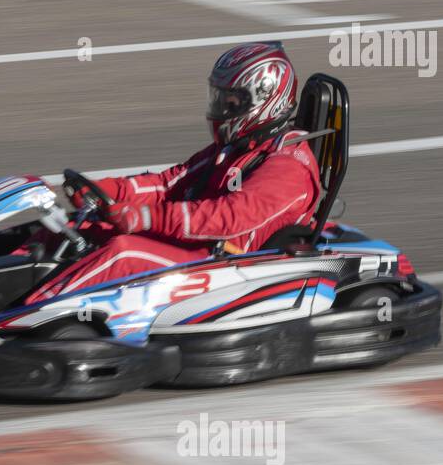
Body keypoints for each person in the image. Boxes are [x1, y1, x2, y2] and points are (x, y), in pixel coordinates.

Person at [26, 41, 323, 304]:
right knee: (80, 227)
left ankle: (23, 319)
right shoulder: (239, 147)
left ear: (265, 99)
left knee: (124, 252)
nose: (221, 107)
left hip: (229, 265)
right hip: (198, 248)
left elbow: (228, 218)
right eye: (219, 98)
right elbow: (167, 184)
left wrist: (143, 217)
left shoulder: (288, 165)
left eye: (231, 102)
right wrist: (102, 189)